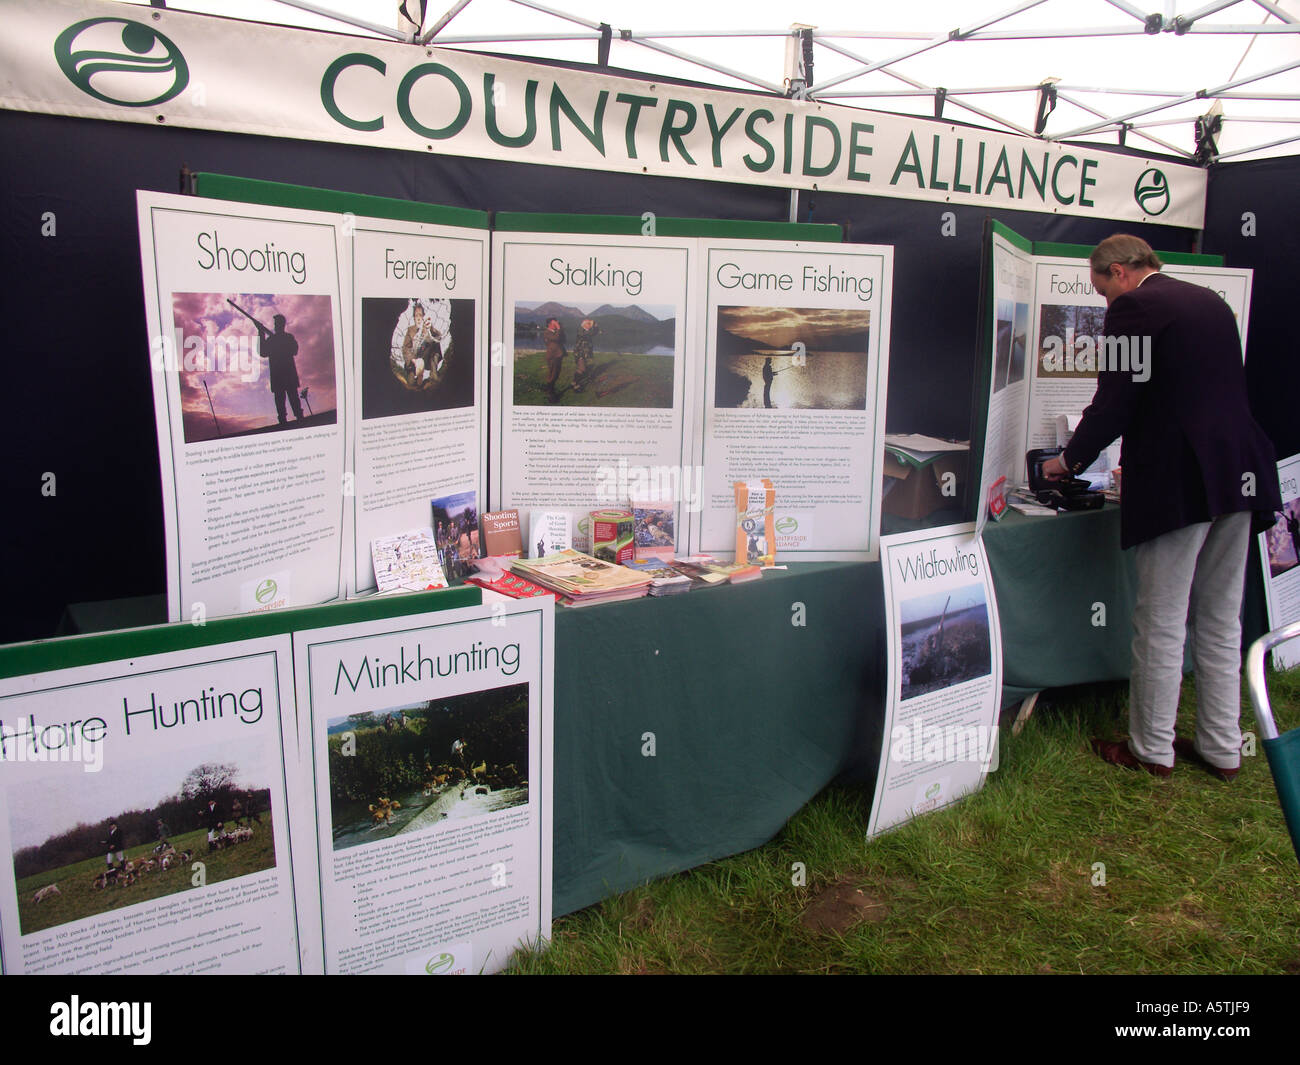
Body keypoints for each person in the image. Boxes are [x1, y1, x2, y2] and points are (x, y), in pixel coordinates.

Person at [1041, 234, 1280, 781]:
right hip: (1238, 473)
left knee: (1162, 619)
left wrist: (1069, 461)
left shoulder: (1136, 306)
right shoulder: (1207, 301)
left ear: (1120, 272)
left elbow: (1114, 401)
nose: (1106, 305)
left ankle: (1150, 748)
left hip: (1181, 483)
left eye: (1102, 292)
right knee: (1222, 618)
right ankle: (1223, 749)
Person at [258, 313, 304, 424]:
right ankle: (283, 421)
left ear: (281, 324)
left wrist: (282, 345)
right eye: (275, 323)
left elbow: (294, 350)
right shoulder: (272, 340)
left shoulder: (288, 338)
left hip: (287, 374)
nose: (275, 325)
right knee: (280, 401)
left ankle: (299, 418)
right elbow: (263, 352)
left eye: (277, 323)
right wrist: (261, 332)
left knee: (293, 398)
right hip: (278, 375)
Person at [573, 317, 600, 392]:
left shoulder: (586, 331)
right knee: (582, 369)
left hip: (585, 353)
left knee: (582, 369)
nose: (590, 325)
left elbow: (595, 332)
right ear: (584, 324)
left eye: (590, 323)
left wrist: (595, 325)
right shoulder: (581, 330)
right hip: (580, 353)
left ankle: (574, 382)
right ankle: (576, 386)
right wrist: (593, 325)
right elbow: (591, 333)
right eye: (588, 323)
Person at [543, 317, 566, 403]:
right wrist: (559, 328)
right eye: (555, 323)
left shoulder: (555, 332)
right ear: (549, 324)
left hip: (558, 355)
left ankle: (550, 390)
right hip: (553, 356)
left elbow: (563, 340)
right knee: (553, 374)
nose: (557, 323)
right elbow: (556, 339)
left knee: (556, 374)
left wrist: (560, 329)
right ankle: (550, 394)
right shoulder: (547, 332)